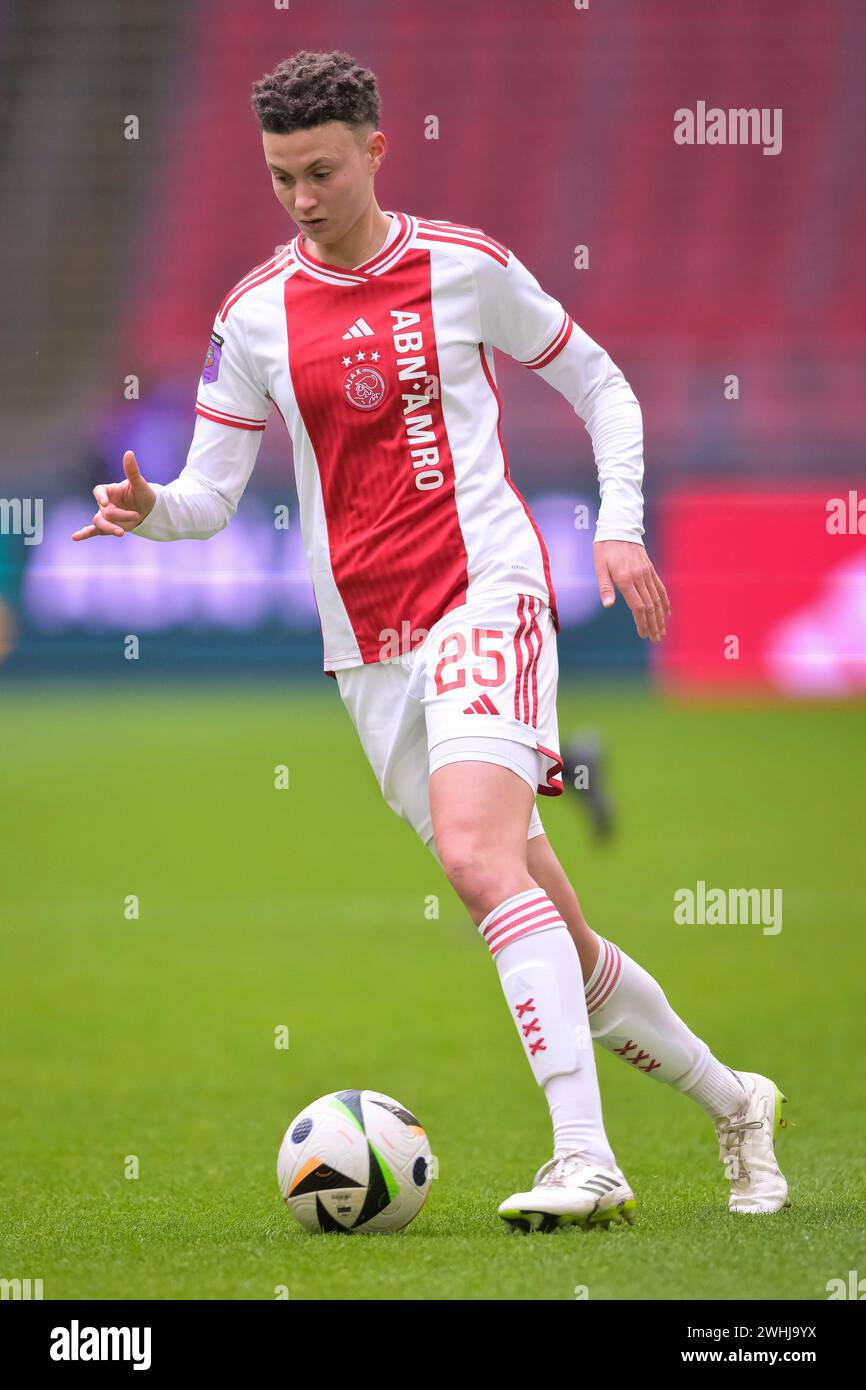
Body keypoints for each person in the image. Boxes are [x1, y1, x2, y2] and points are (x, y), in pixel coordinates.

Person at [72, 49, 790, 1230]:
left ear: (374, 149)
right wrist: (153, 513)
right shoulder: (253, 315)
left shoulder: (462, 268)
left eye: (320, 171)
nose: (302, 197)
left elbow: (601, 383)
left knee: (472, 853)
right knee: (548, 922)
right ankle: (734, 1101)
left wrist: (617, 529)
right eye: (278, 177)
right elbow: (206, 495)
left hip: (484, 596)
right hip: (369, 649)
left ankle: (584, 1158)